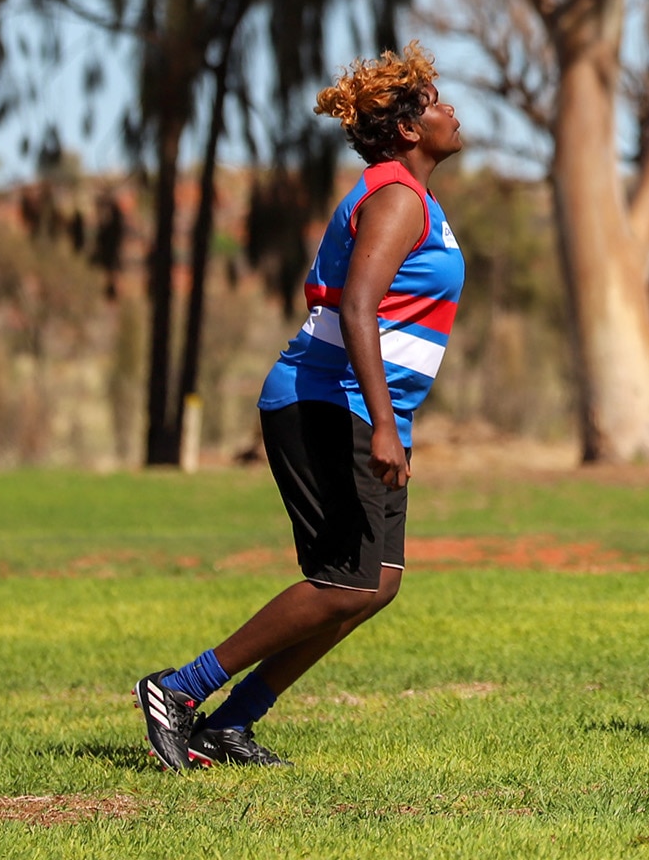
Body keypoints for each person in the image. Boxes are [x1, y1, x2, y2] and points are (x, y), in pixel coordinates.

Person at [135, 44, 466, 770]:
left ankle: (232, 724)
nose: (451, 111)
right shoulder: (396, 197)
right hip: (328, 401)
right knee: (341, 581)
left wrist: (391, 422)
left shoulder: (411, 197)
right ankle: (178, 689)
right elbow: (357, 309)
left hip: (359, 406)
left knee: (374, 585)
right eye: (437, 102)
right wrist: (381, 423)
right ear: (409, 130)